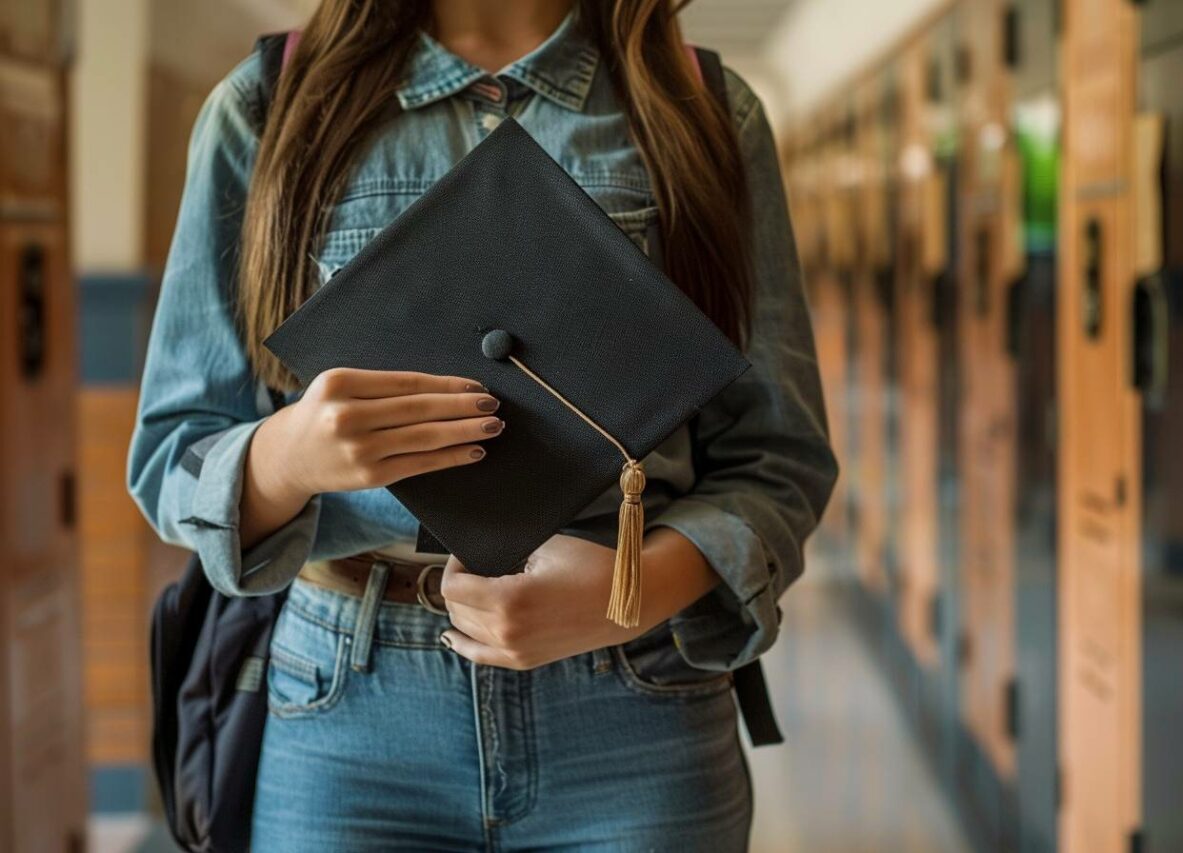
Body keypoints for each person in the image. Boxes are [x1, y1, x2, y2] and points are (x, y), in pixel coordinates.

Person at [127, 0, 837, 849]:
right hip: (348, 716)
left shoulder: (704, 107)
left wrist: (640, 587)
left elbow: (779, 456)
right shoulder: (270, 103)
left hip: (636, 709)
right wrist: (286, 458)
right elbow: (175, 449)